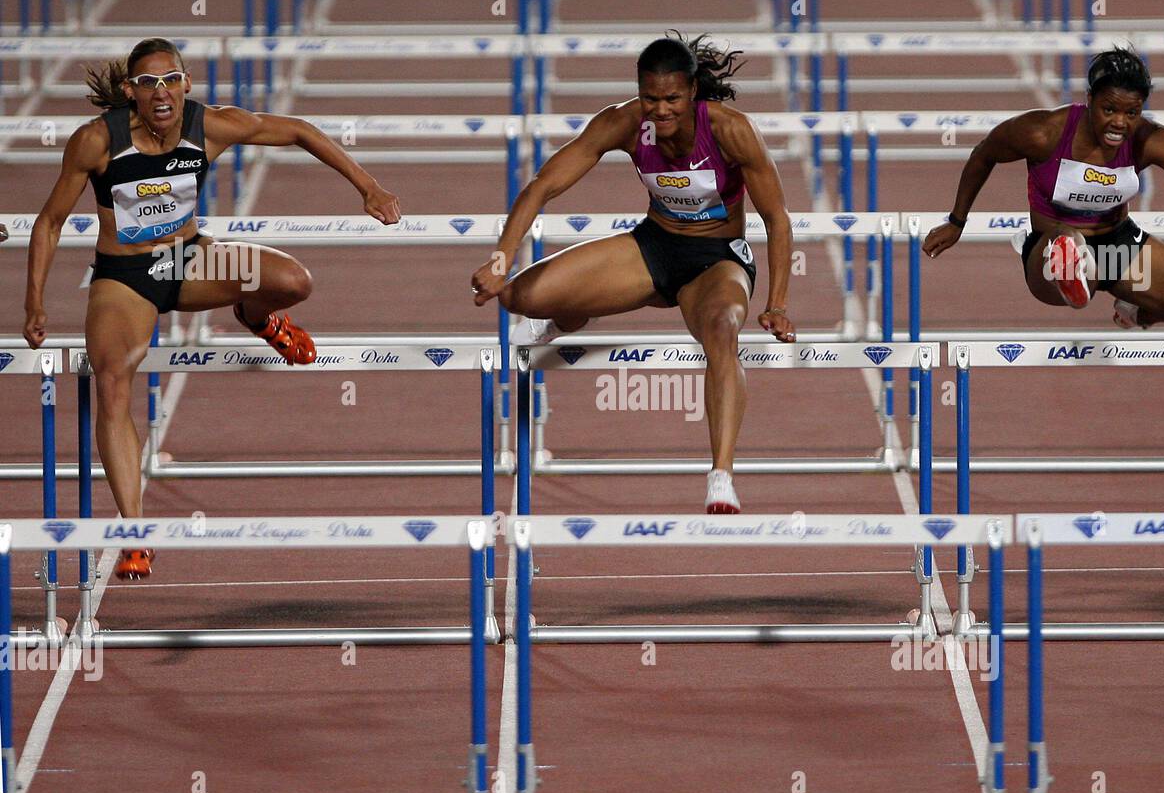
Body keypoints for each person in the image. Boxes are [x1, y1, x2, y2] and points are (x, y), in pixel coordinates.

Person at [22, 38, 401, 580]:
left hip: (189, 263)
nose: (161, 92)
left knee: (295, 280)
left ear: (186, 85)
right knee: (111, 382)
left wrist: (368, 186)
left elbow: (297, 130)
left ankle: (256, 315)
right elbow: (50, 222)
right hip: (126, 280)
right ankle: (135, 533)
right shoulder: (95, 142)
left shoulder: (211, 126)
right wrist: (33, 302)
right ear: (130, 92)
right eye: (148, 83)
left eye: (170, 80)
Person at [470, 33, 796, 514]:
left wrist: (777, 305)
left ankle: (721, 475)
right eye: (650, 98)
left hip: (716, 260)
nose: (660, 111)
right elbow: (544, 185)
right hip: (653, 246)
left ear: (692, 93)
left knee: (723, 331)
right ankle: (571, 317)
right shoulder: (623, 122)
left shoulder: (730, 130)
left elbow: (778, 218)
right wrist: (500, 261)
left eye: (672, 99)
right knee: (520, 297)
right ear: (638, 91)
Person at [923, 47, 1164, 337]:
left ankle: (1139, 309)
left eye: (1132, 112)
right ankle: (1076, 272)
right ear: (1090, 99)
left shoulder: (1151, 139)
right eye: (1109, 109)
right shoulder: (1043, 132)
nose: (1120, 123)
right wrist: (957, 220)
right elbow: (984, 154)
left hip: (1119, 250)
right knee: (1069, 243)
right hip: (1048, 253)